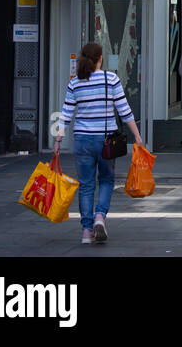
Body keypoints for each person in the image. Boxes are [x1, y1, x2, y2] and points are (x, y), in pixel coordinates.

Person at [53, 42, 143, 245]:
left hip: (82, 140)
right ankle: (100, 216)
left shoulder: (75, 82)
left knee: (85, 185)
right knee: (106, 180)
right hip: (106, 140)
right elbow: (124, 110)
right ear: (100, 58)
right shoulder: (110, 79)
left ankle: (86, 231)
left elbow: (65, 114)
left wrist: (58, 139)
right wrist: (137, 135)